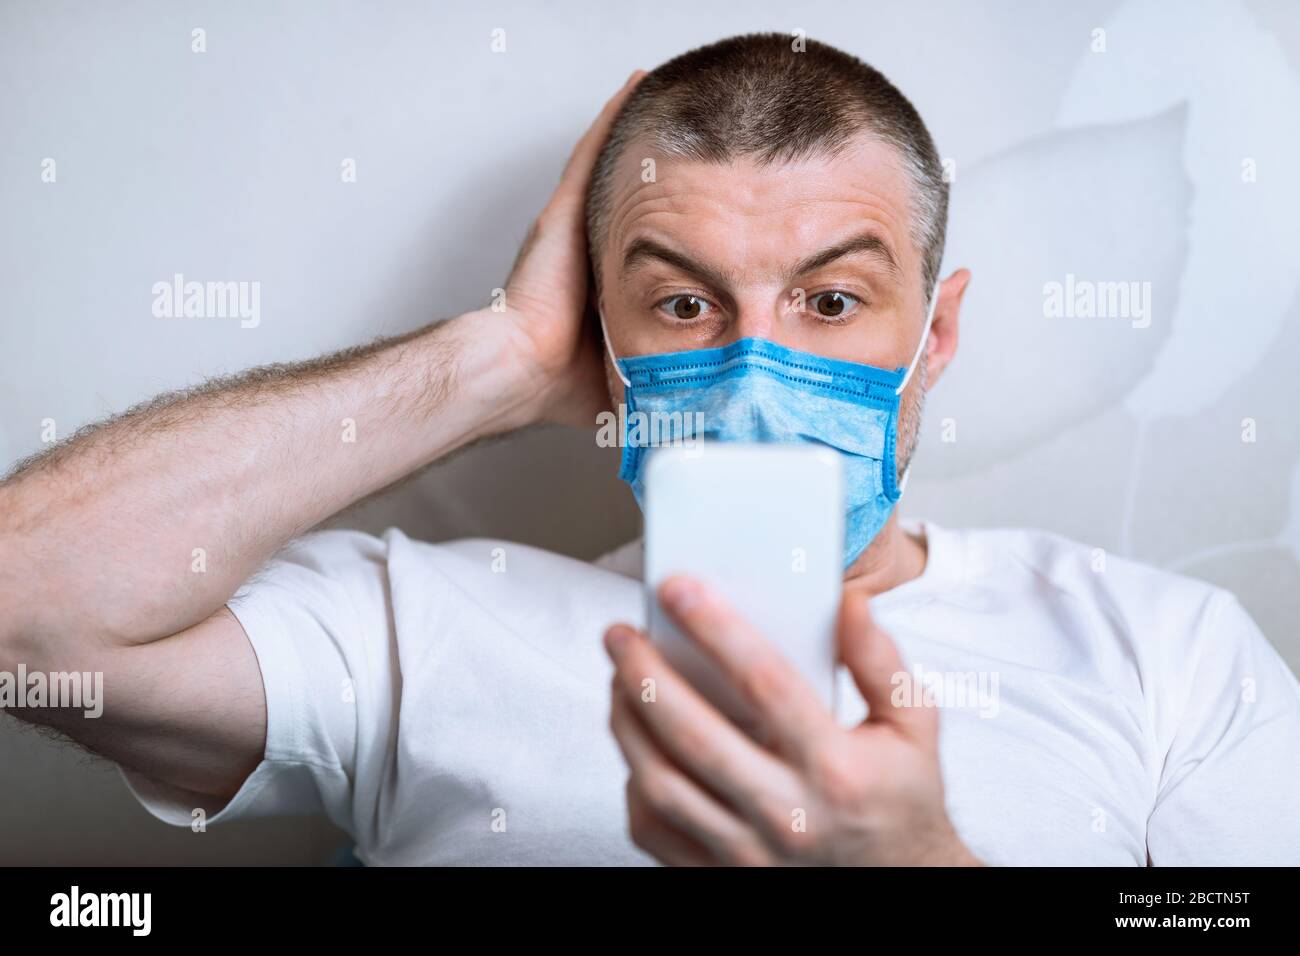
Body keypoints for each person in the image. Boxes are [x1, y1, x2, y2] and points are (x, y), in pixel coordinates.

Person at [1, 34, 1296, 866]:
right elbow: (23, 621)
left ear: (937, 333)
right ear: (602, 341)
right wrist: (491, 362)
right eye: (683, 304)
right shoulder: (420, 627)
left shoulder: (1167, 654)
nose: (751, 364)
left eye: (831, 303)